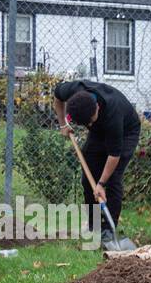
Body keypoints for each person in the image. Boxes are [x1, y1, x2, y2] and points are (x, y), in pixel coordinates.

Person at [51, 79, 140, 250]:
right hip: (100, 132)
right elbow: (57, 97)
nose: (89, 125)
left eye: (91, 121)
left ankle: (108, 230)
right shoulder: (72, 90)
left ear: (97, 107)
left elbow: (114, 155)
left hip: (126, 131)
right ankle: (94, 226)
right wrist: (63, 124)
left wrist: (101, 184)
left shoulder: (113, 112)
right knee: (88, 177)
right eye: (86, 124)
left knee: (112, 179)